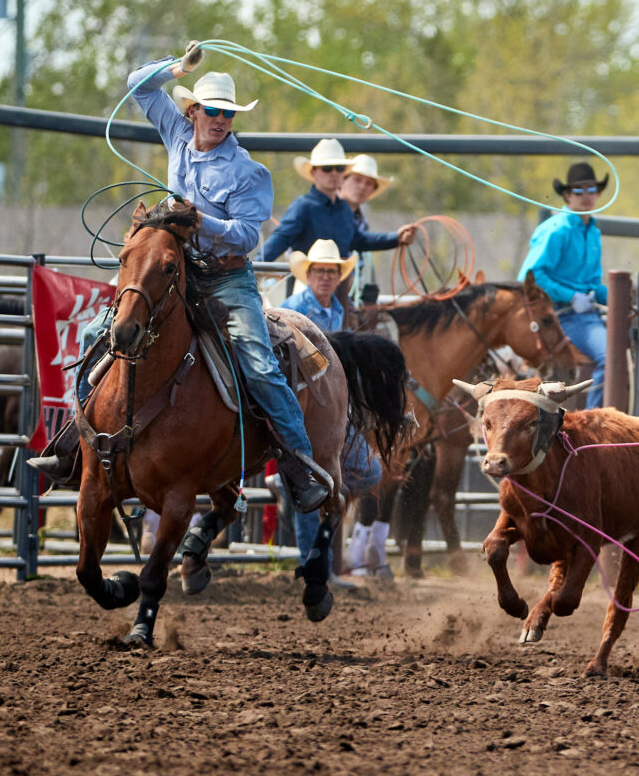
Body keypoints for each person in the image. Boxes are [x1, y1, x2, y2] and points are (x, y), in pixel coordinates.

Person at [28, 43, 334, 515]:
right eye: (213, 110)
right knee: (98, 336)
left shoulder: (248, 172)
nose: (221, 120)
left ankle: (299, 463)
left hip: (227, 280)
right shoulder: (176, 133)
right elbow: (138, 84)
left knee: (257, 360)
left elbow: (247, 236)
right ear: (192, 111)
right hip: (179, 274)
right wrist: (178, 67)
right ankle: (77, 443)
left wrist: (199, 221)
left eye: (228, 114)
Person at [281, 240, 385, 582]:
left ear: (338, 277)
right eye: (319, 271)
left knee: (368, 472)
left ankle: (287, 488)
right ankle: (318, 571)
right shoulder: (292, 309)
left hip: (330, 411)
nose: (325, 277)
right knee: (315, 488)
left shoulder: (336, 312)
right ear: (308, 275)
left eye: (331, 272)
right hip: (300, 412)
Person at [259, 139, 415, 301]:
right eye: (327, 169)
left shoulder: (343, 209)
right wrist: (254, 267)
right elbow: (280, 240)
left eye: (339, 168)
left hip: (338, 293)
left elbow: (359, 239)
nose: (334, 173)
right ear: (313, 173)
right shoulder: (303, 207)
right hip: (306, 291)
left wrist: (396, 238)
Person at [519, 162, 611, 409]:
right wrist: (570, 296)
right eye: (578, 191)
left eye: (591, 190)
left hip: (586, 315)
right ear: (568, 196)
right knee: (610, 357)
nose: (586, 196)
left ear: (599, 195)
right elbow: (530, 276)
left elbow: (593, 282)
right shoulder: (556, 231)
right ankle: (596, 423)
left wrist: (617, 296)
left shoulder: (593, 233)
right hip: (561, 316)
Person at [341, 153, 398, 305]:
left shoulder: (362, 222)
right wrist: (396, 238)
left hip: (347, 296)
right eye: (357, 180)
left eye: (369, 184)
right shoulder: (328, 211)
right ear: (343, 180)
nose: (362, 187)